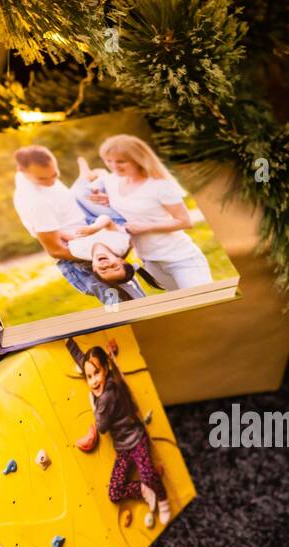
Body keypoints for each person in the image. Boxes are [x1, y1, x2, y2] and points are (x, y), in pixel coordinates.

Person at [12, 145, 145, 304]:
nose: (51, 181)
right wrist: (106, 256)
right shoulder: (35, 202)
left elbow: (73, 198)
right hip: (75, 252)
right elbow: (56, 250)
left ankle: (151, 315)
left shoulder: (40, 173)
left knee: (130, 289)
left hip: (89, 236)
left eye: (55, 174)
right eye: (43, 179)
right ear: (21, 170)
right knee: (117, 302)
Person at [66, 336, 171, 525]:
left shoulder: (107, 397)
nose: (93, 381)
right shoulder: (106, 379)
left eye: (96, 374)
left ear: (105, 370)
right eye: (89, 377)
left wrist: (93, 403)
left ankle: (162, 499)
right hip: (122, 449)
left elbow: (101, 428)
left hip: (137, 441)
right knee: (114, 493)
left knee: (147, 474)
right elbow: (83, 360)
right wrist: (68, 343)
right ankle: (144, 489)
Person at [94, 134, 213, 290]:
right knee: (184, 306)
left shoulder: (160, 185)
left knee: (205, 302)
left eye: (121, 161)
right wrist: (110, 201)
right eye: (109, 161)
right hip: (150, 261)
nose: (114, 166)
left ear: (138, 159)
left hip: (181, 258)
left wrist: (144, 227)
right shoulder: (112, 180)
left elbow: (184, 221)